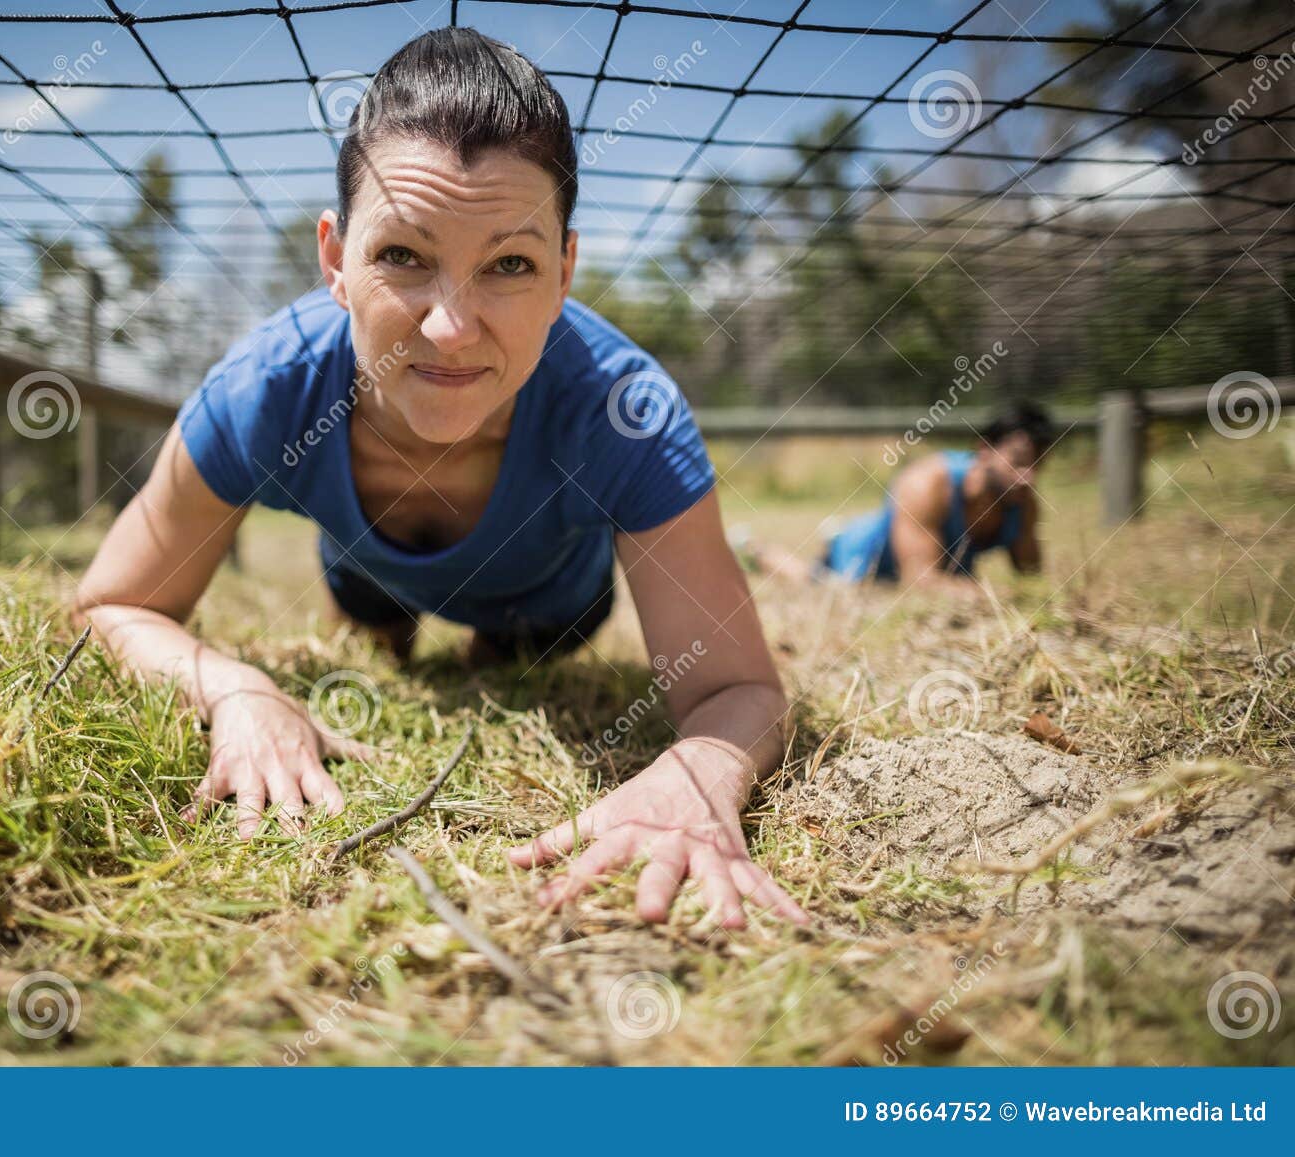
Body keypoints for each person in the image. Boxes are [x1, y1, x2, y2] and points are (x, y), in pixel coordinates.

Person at [71, 27, 809, 931]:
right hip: (365, 571)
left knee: (509, 665)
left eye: (509, 264)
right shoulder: (265, 392)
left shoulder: (625, 414)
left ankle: (491, 642)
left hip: (549, 602)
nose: (451, 328)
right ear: (334, 259)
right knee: (373, 644)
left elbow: (742, 690)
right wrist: (236, 687)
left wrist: (699, 775)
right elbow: (107, 604)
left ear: (565, 272)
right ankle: (384, 620)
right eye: (403, 257)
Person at [736, 405, 1051, 593]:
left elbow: (1032, 581)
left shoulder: (1022, 502)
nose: (1029, 476)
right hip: (861, 558)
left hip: (917, 552)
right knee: (811, 581)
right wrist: (999, 595)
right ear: (984, 450)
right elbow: (921, 583)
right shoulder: (926, 482)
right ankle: (756, 550)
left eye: (1038, 463)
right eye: (1018, 460)